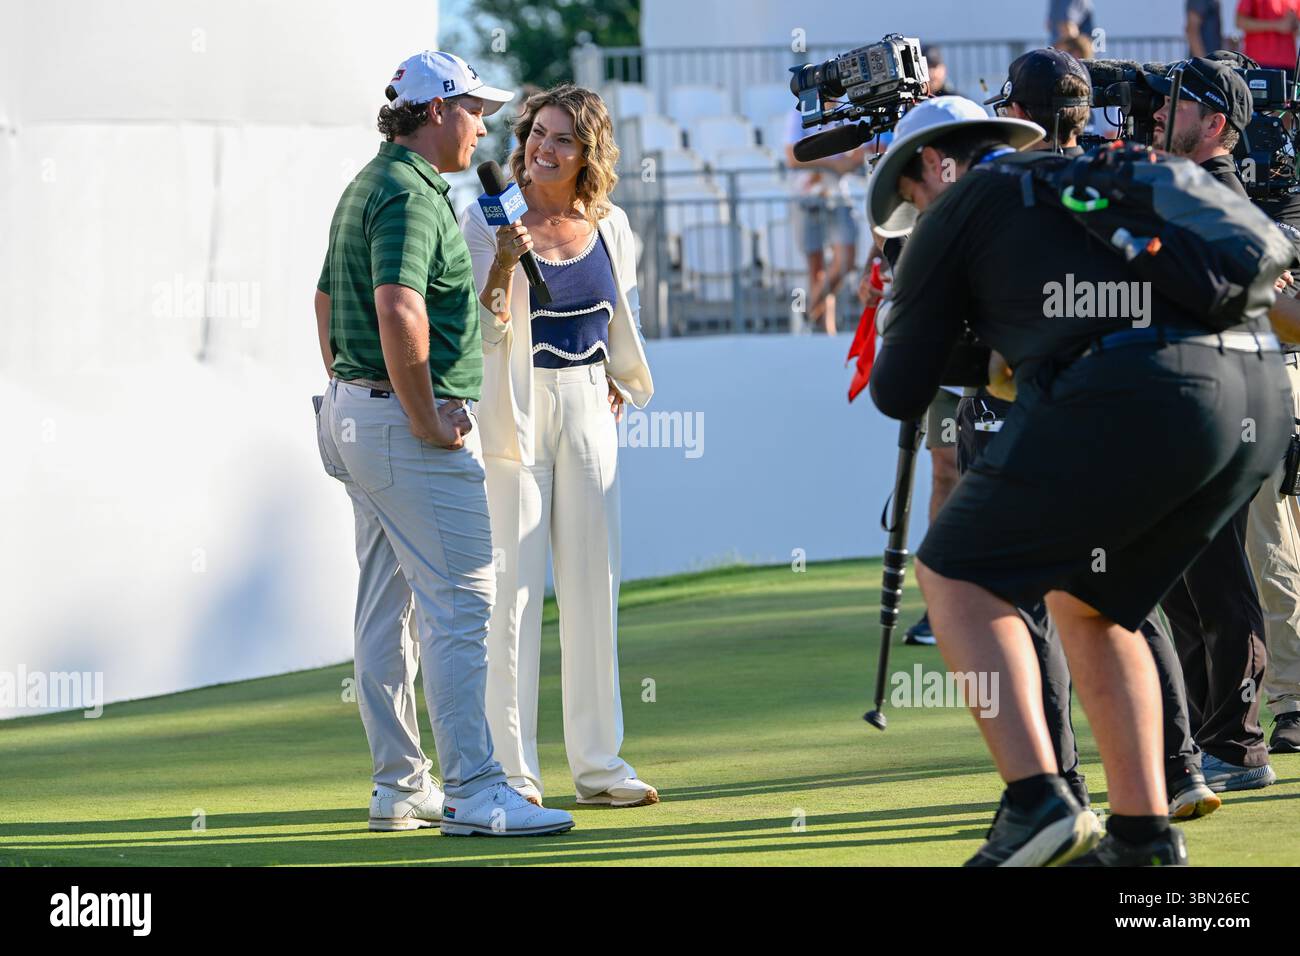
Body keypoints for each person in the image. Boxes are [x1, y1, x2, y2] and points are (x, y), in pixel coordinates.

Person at [866, 95, 1290, 866]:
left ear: (934, 162)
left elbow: (897, 390)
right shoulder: (1082, 173)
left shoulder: (962, 201)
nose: (913, 209)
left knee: (952, 570)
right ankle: (1142, 837)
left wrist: (937, 319)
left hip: (1143, 386)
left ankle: (1035, 800)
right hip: (1256, 388)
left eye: (908, 194)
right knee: (1089, 600)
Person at [313, 50, 574, 837]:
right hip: (402, 425)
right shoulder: (412, 194)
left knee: (385, 613)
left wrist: (353, 393)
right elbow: (397, 307)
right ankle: (476, 790)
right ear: (436, 112)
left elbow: (325, 302)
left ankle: (401, 787)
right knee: (461, 605)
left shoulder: (371, 180)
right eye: (473, 110)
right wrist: (421, 416)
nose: (484, 125)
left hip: (355, 416)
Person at [979, 48, 1219, 821]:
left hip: (1048, 419)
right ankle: (1180, 770)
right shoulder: (1130, 173)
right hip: (1135, 415)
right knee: (1125, 600)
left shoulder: (1011, 190)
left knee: (1034, 612)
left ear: (1020, 109)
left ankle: (1063, 789)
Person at [460, 85, 658, 808]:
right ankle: (512, 775)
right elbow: (479, 328)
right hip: (514, 410)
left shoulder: (612, 226)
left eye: (563, 139)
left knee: (592, 586)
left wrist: (609, 380)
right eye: (537, 133)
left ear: (589, 154)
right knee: (509, 594)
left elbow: (619, 313)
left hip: (588, 406)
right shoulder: (482, 216)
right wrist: (506, 264)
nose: (544, 147)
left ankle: (601, 765)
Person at [1150, 58, 1279, 792]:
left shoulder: (1219, 193)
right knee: (1184, 585)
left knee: (1218, 582)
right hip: (1185, 410)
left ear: (1216, 124)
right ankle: (1211, 736)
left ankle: (1237, 741)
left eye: (1176, 106)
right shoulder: (1192, 186)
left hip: (1220, 411)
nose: (1160, 115)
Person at [785, 111, 868, 334]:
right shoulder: (800, 113)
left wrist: (831, 166)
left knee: (845, 261)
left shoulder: (849, 110)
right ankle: (824, 329)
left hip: (837, 195)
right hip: (807, 196)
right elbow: (792, 157)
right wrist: (832, 166)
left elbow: (864, 149)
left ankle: (808, 310)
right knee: (816, 267)